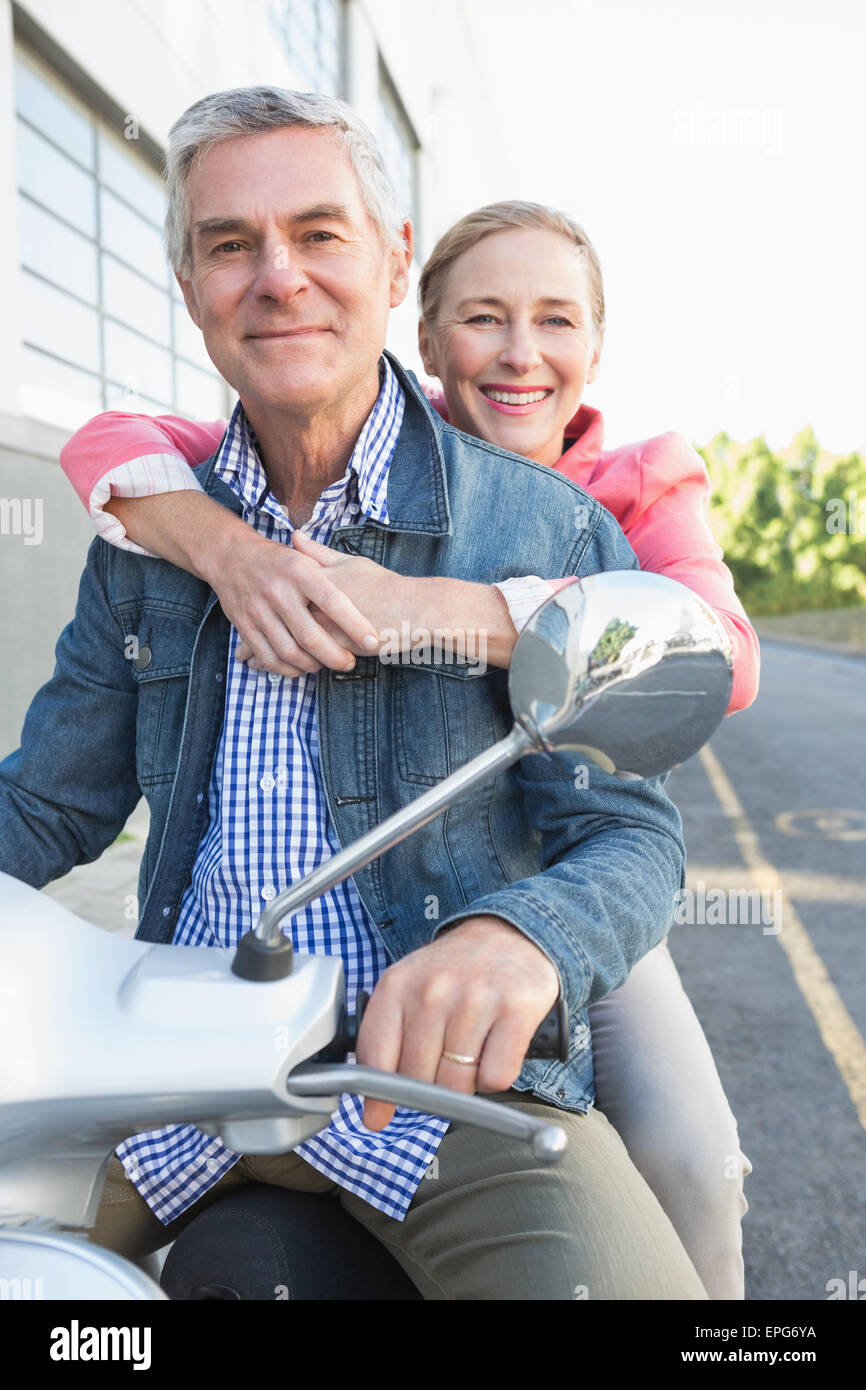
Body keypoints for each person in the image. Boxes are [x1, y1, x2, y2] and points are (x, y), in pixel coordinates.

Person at [0, 84, 707, 1301]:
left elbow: (628, 831)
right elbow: (48, 807)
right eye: (230, 244)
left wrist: (518, 932)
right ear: (189, 287)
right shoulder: (154, 544)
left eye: (318, 233)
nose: (276, 277)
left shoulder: (546, 525)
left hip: (436, 1092)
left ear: (390, 263)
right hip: (175, 1070)